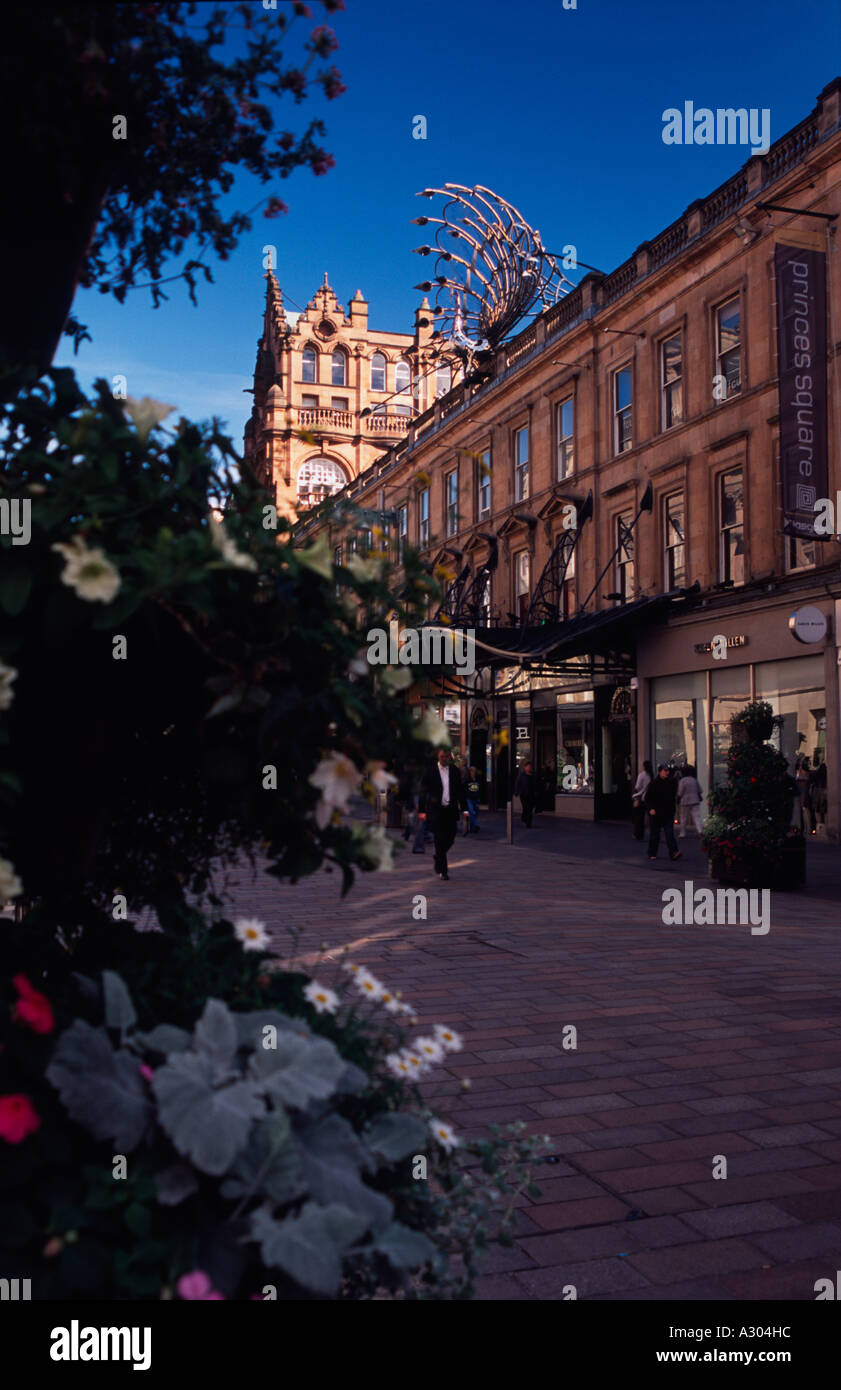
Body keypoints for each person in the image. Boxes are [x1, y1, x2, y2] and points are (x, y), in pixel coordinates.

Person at [419, 748, 469, 879]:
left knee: (451, 838)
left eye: (447, 757)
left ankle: (438, 856)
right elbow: (423, 791)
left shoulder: (454, 771)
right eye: (442, 757)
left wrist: (465, 809)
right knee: (439, 839)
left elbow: (460, 791)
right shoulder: (430, 771)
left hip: (450, 810)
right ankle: (443, 870)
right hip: (436, 811)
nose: (445, 759)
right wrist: (421, 810)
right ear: (438, 757)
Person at [645, 764, 682, 862]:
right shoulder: (654, 784)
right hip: (656, 813)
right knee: (655, 834)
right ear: (659, 771)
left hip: (668, 812)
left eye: (668, 771)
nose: (667, 773)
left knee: (669, 833)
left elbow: (672, 797)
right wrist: (651, 809)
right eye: (665, 771)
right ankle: (652, 853)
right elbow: (647, 798)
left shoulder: (671, 783)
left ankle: (674, 852)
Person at [676, 763, 704, 838]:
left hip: (685, 801)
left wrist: (678, 799)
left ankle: (682, 833)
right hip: (695, 800)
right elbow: (699, 790)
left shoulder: (682, 781)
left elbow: (680, 792)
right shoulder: (694, 780)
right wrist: (700, 797)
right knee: (697, 816)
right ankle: (700, 830)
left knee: (683, 818)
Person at [631, 759, 653, 841]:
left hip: (642, 797)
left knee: (639, 817)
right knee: (651, 817)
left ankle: (639, 834)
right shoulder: (651, 775)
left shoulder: (642, 775)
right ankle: (652, 833)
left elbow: (637, 787)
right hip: (649, 798)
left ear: (644, 766)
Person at [514, 760, 535, 828]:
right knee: (526, 808)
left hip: (531, 794)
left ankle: (528, 822)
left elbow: (536, 784)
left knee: (530, 809)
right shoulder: (522, 775)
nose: (529, 768)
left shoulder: (533, 775)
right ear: (525, 767)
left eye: (530, 767)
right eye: (528, 767)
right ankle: (525, 819)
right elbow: (517, 783)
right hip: (524, 794)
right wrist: (517, 792)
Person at [466, 765, 481, 833]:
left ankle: (472, 828)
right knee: (472, 812)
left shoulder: (478, 780)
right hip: (469, 798)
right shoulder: (467, 780)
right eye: (472, 771)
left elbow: (479, 789)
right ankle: (476, 825)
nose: (473, 772)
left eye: (474, 771)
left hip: (476, 798)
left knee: (474, 813)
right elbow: (464, 789)